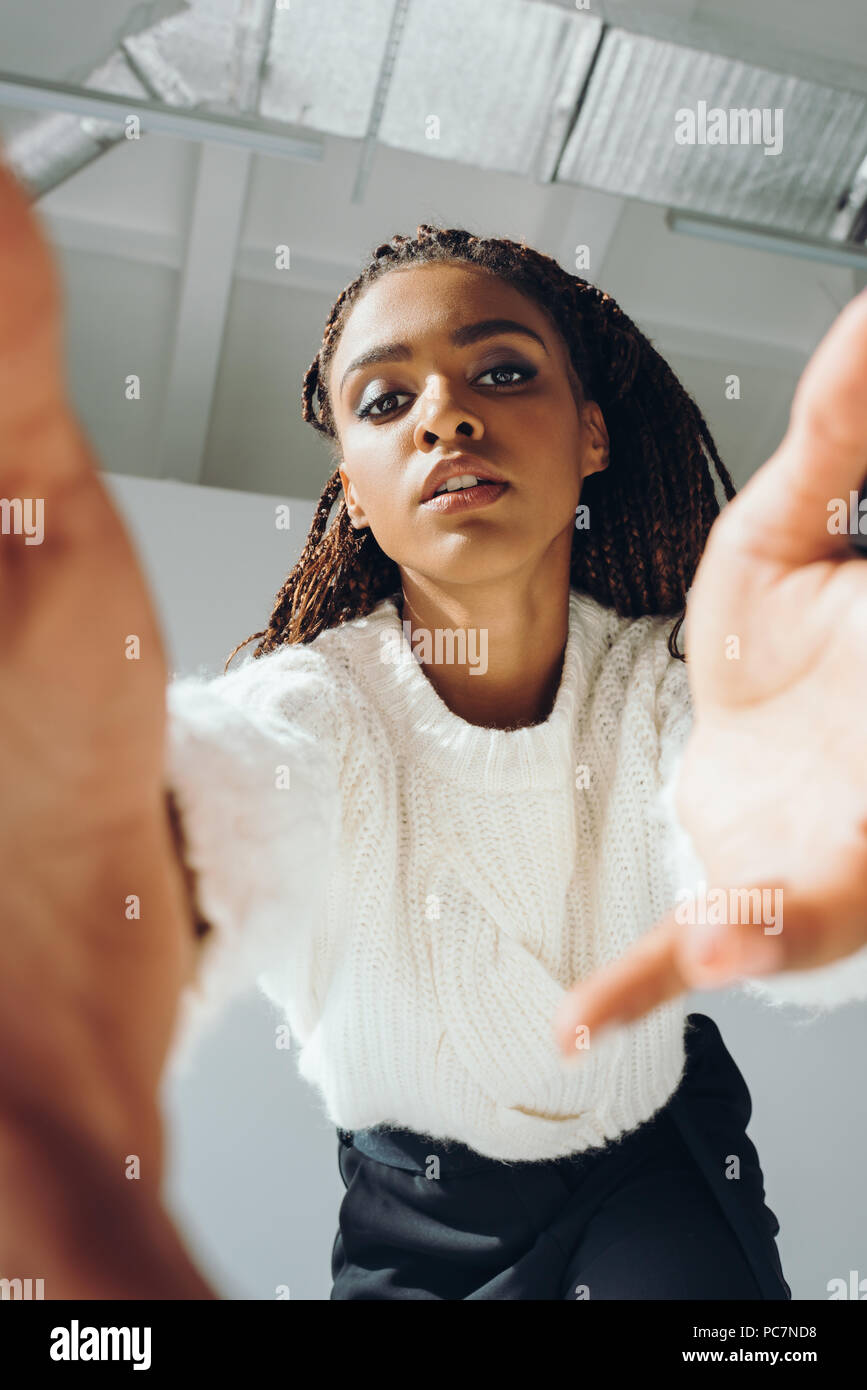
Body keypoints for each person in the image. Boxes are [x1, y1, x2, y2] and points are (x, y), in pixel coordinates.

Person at [1, 145, 866, 1299]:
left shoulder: (668, 681)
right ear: (354, 489)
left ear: (591, 435)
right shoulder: (320, 709)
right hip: (422, 1204)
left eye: (501, 373)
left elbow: (747, 773)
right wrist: (114, 844)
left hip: (660, 1153)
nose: (446, 415)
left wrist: (824, 789)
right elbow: (234, 784)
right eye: (386, 398)